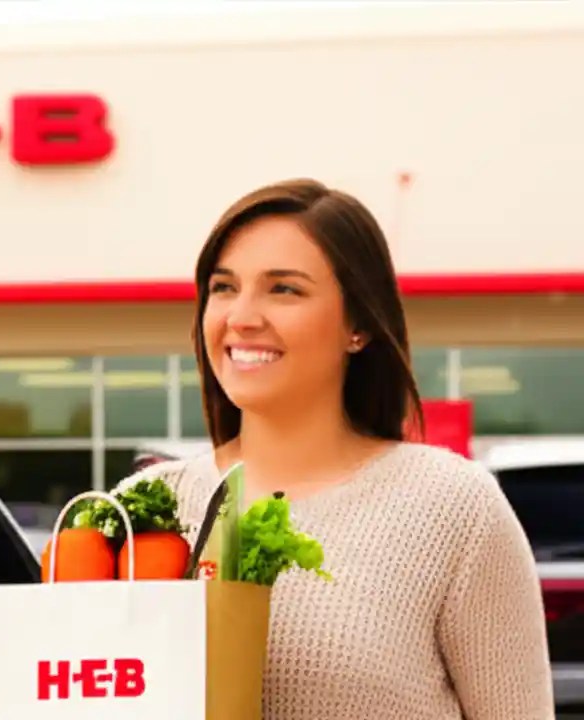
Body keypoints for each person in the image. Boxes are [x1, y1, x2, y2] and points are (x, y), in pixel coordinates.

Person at [116, 178, 553, 718]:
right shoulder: (142, 509)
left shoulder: (454, 509)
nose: (242, 317)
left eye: (284, 289)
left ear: (360, 324)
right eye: (224, 287)